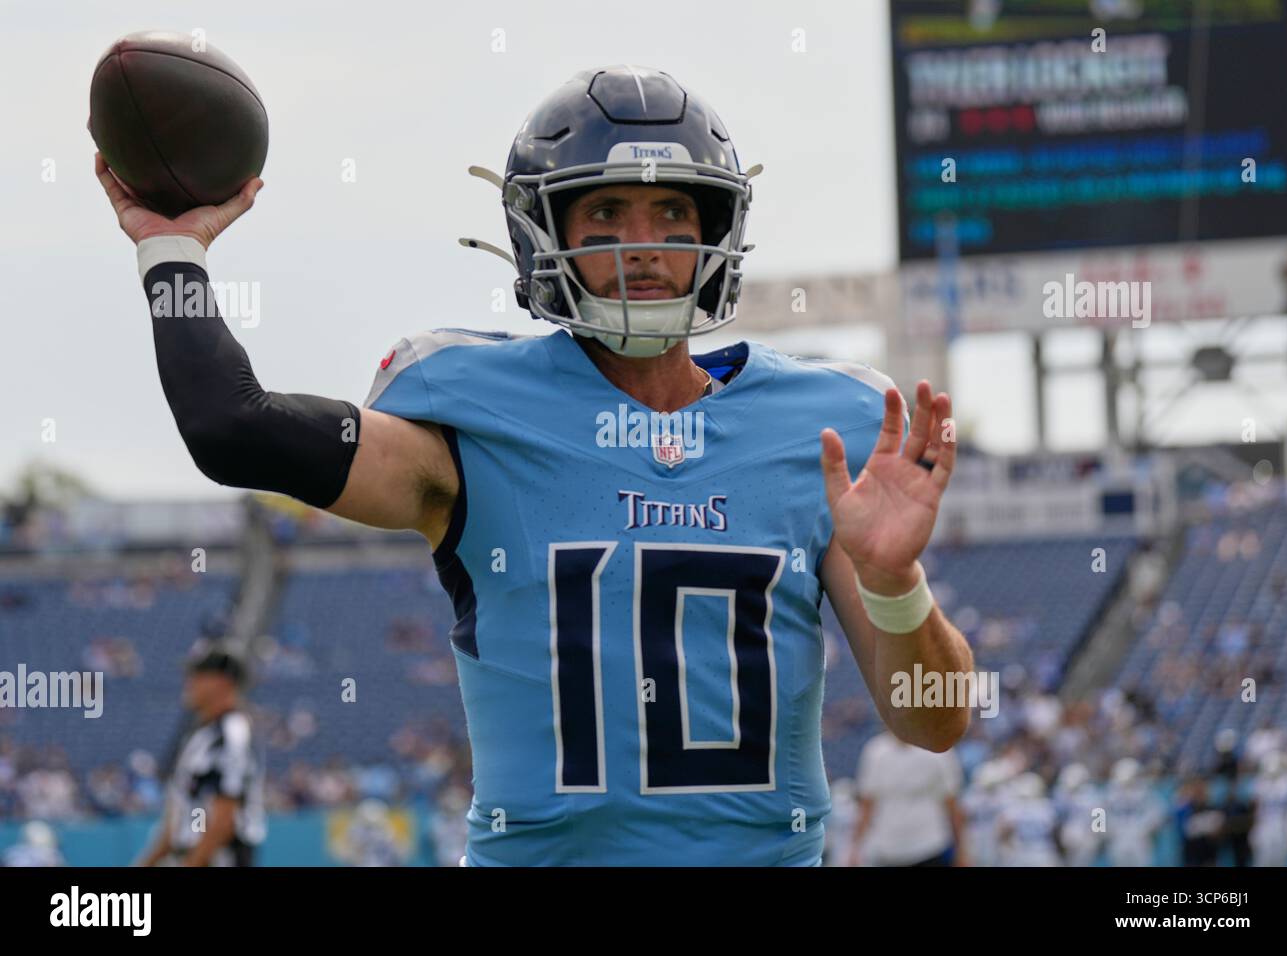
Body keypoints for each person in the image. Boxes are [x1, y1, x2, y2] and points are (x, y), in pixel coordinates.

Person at [98, 65, 972, 866]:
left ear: (718, 227)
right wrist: (173, 254)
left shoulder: (825, 430)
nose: (643, 244)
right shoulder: (475, 413)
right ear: (542, 230)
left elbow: (934, 721)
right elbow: (231, 429)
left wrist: (895, 581)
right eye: (605, 214)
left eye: (673, 212)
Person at [136, 647, 266, 866]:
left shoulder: (232, 733)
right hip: (194, 855)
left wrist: (193, 862)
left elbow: (224, 817)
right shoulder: (201, 736)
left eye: (199, 676)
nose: (189, 683)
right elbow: (178, 818)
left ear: (222, 681)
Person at [849, 731, 965, 866]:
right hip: (887, 851)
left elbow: (952, 806)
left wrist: (962, 850)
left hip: (931, 847)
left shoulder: (939, 750)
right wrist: (855, 848)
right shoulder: (875, 751)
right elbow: (867, 806)